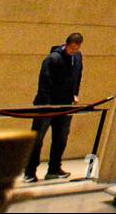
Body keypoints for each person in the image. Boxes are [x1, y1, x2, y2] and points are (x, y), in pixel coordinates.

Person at [23, 33, 84, 182]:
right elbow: (43, 83)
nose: (73, 51)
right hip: (47, 106)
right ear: (66, 45)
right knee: (37, 139)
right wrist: (46, 104)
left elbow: (78, 77)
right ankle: (30, 172)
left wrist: (75, 94)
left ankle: (54, 168)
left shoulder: (77, 57)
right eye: (71, 48)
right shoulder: (52, 59)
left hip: (65, 106)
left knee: (61, 138)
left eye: (76, 49)